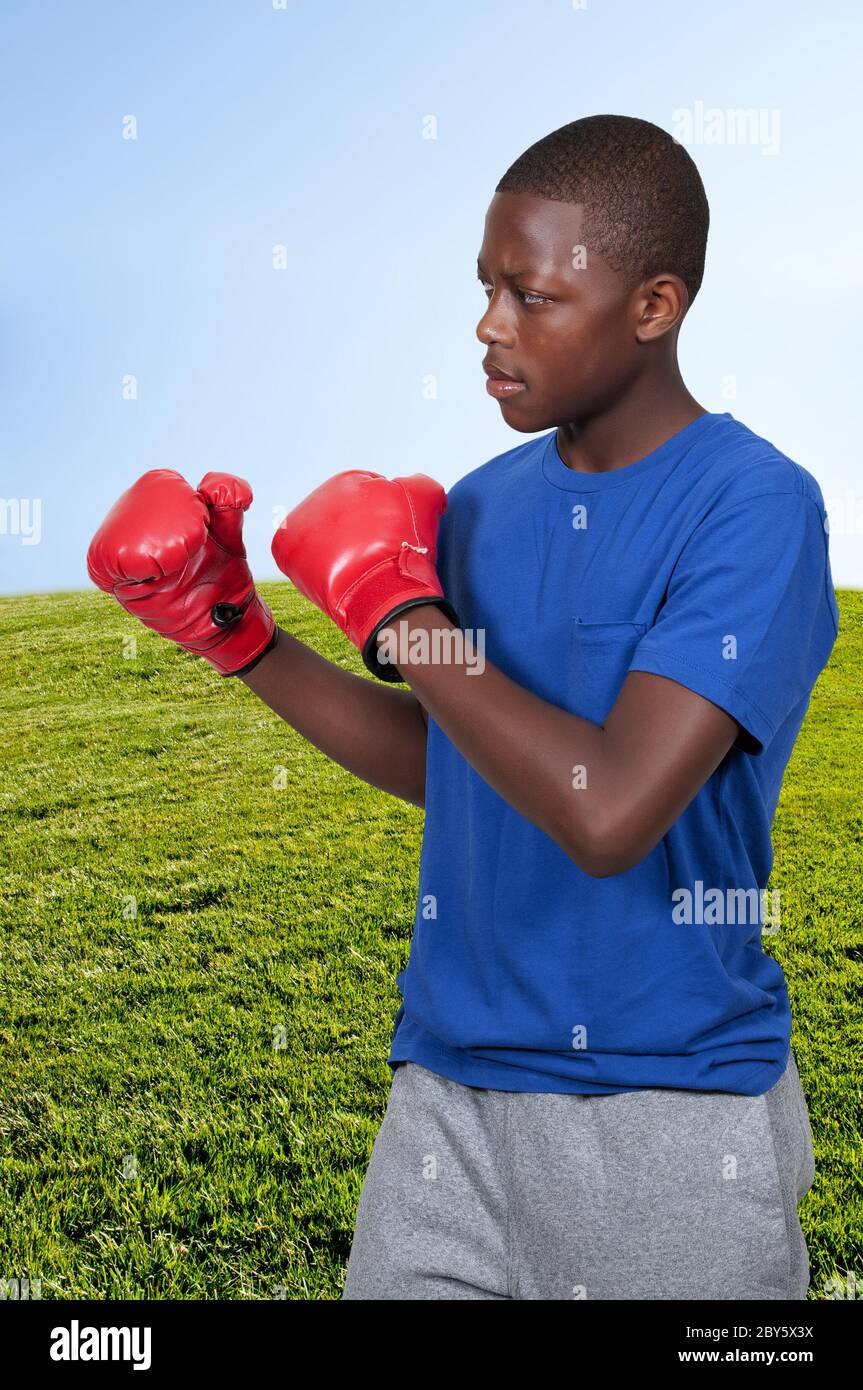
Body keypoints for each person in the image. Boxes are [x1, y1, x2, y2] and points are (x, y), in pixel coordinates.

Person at [87, 114, 837, 1300]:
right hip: (444, 1097)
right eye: (485, 287)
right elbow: (466, 765)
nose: (488, 325)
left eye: (532, 296)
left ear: (652, 306)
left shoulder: (752, 507)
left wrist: (399, 615)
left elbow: (609, 811)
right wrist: (240, 636)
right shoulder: (481, 508)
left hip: (668, 1118)